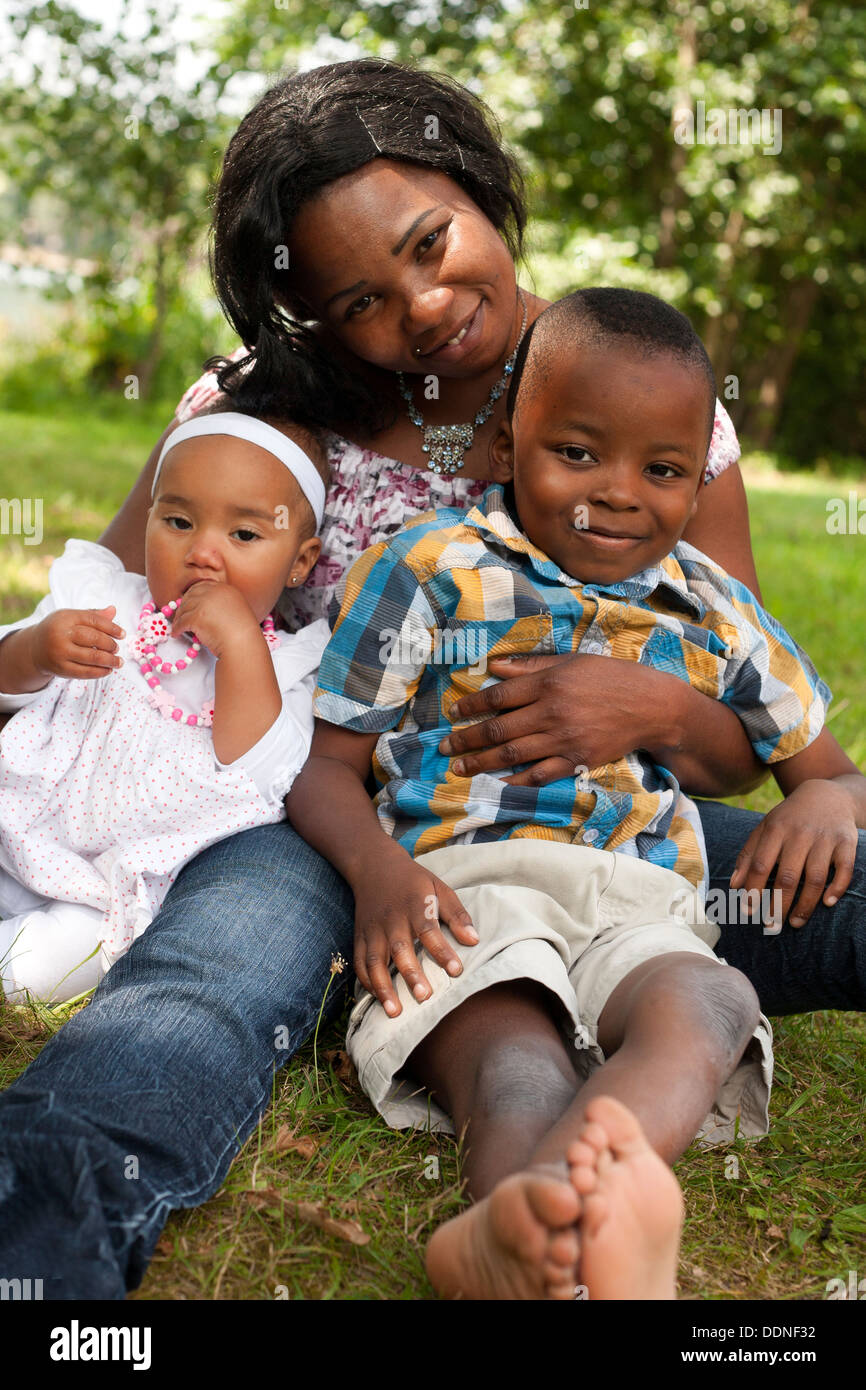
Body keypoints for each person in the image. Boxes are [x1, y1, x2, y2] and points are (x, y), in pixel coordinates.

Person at [0, 58, 862, 1299]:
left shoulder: (639, 386)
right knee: (195, 993)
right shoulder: (263, 412)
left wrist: (657, 708)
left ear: (477, 182)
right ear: (310, 314)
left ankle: (572, 1186)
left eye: (430, 240)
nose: (424, 305)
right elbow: (126, 613)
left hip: (618, 834)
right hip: (318, 826)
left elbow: (741, 729)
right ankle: (41, 1260)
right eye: (360, 297)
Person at [287, 288, 863, 1300]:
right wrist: (377, 874)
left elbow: (830, 772)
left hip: (637, 897)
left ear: (698, 476)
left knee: (713, 998)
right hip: (465, 893)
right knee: (519, 1066)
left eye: (662, 470)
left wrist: (824, 798)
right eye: (578, 452)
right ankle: (519, 1230)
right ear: (509, 444)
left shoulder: (713, 607)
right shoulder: (426, 568)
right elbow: (324, 765)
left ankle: (570, 1207)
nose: (619, 494)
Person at [0, 408, 330, 1002]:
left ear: (300, 562)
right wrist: (36, 649)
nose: (202, 552)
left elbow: (264, 773)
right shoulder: (105, 601)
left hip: (111, 890)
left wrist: (240, 644)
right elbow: (6, 680)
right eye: (178, 521)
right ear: (148, 518)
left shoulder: (284, 667)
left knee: (45, 966)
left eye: (244, 535)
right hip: (17, 822)